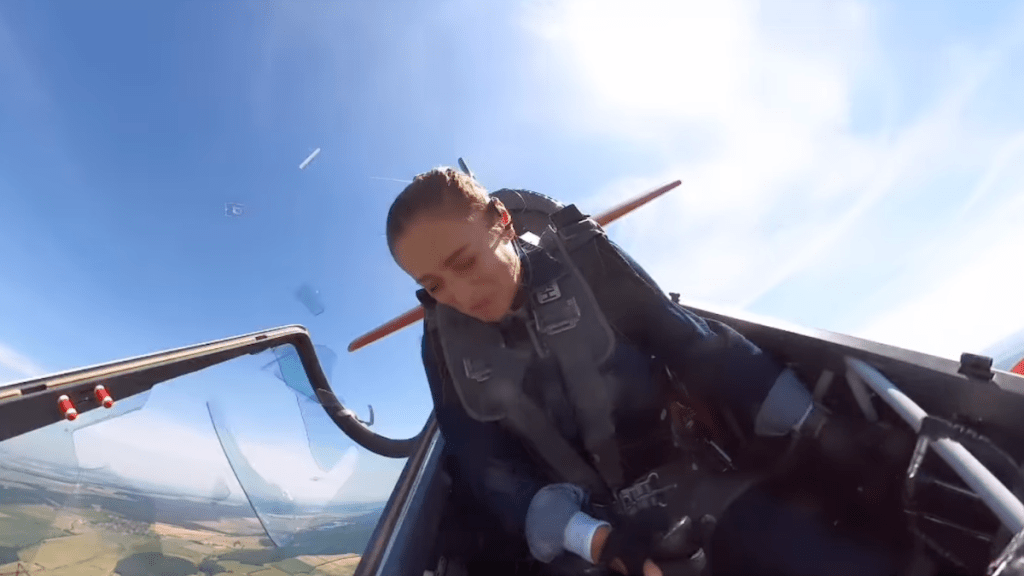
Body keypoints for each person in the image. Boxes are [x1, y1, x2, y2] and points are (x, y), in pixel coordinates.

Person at [386, 167, 909, 576]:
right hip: (584, 536)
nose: (460, 296)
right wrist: (597, 541)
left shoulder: (584, 266)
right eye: (434, 286)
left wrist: (818, 425)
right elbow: (486, 469)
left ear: (501, 220)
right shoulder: (444, 349)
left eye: (464, 262)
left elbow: (694, 345)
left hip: (689, 485)